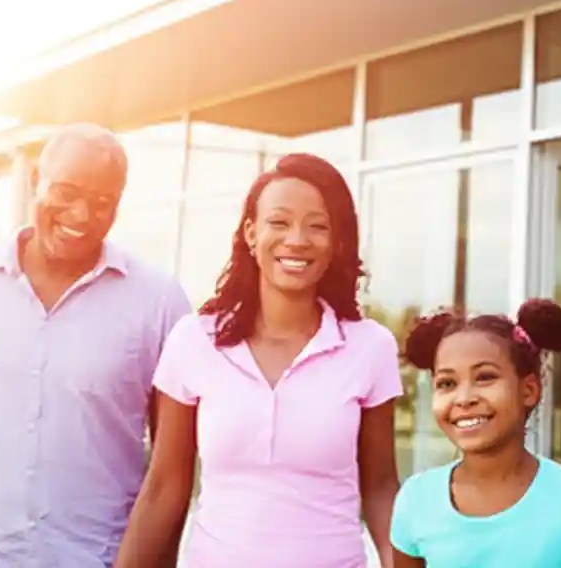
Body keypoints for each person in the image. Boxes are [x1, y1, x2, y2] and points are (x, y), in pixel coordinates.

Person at [0, 123, 192, 567]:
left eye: (103, 203)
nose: (82, 215)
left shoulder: (159, 302)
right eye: (66, 192)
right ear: (33, 183)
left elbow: (170, 470)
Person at [114, 153, 402, 568]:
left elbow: (380, 488)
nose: (297, 239)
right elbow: (163, 487)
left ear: (337, 242)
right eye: (279, 222)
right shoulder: (194, 340)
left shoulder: (370, 346)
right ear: (251, 233)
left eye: (317, 225)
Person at [391, 299, 561, 568]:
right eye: (447, 383)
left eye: (485, 377)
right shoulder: (416, 502)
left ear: (528, 391)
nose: (464, 398)